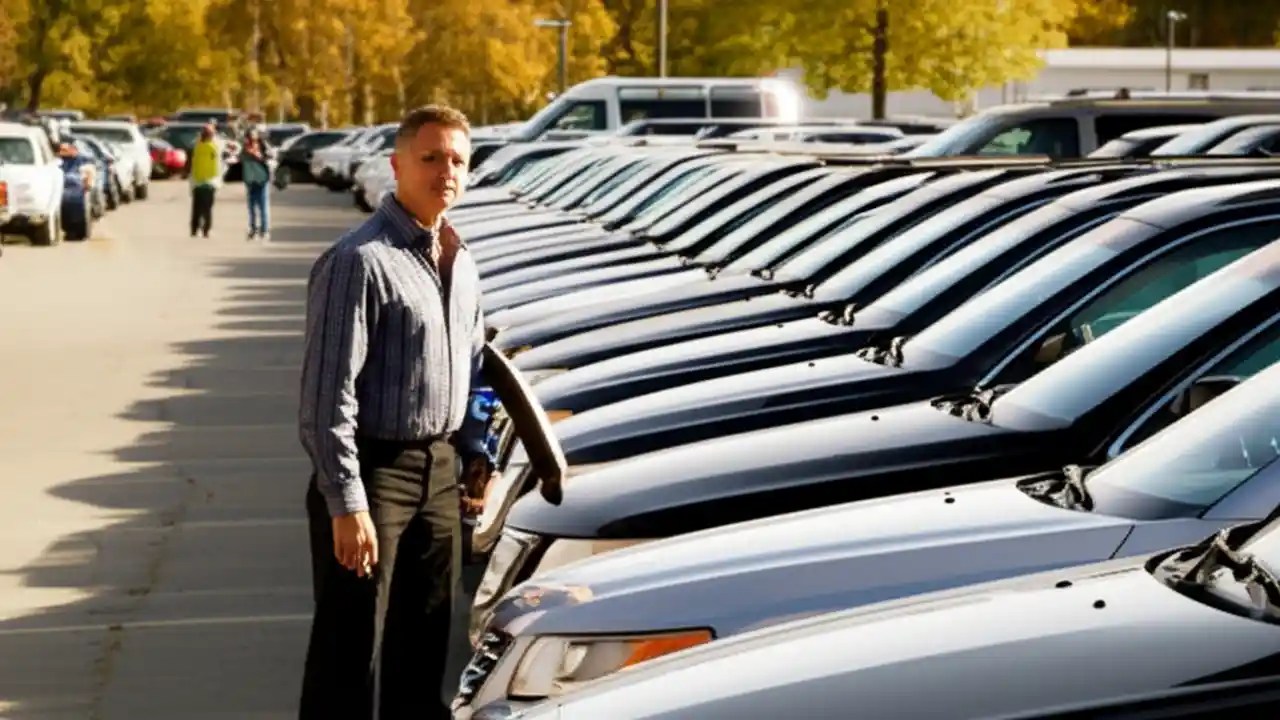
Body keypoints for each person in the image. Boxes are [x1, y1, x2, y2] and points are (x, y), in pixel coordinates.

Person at [297, 104, 496, 720]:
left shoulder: (461, 260)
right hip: (373, 475)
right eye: (430, 157)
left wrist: (472, 452)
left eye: (457, 160)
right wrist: (346, 501)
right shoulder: (359, 261)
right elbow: (326, 398)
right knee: (348, 656)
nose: (446, 171)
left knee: (423, 649)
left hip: (437, 475)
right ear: (397, 165)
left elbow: (472, 367)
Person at [185, 124, 222, 237]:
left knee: (196, 207)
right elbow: (218, 164)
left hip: (198, 181)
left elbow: (193, 163)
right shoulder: (214, 147)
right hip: (210, 182)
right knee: (207, 209)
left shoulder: (197, 147)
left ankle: (194, 229)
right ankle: (206, 229)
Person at [240, 129, 272, 240]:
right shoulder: (244, 150)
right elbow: (241, 158)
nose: (251, 139)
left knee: (263, 207)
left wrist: (259, 155)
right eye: (249, 137)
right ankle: (253, 229)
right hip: (250, 181)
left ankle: (265, 230)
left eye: (253, 136)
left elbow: (269, 158)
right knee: (252, 208)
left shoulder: (263, 147)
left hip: (262, 180)